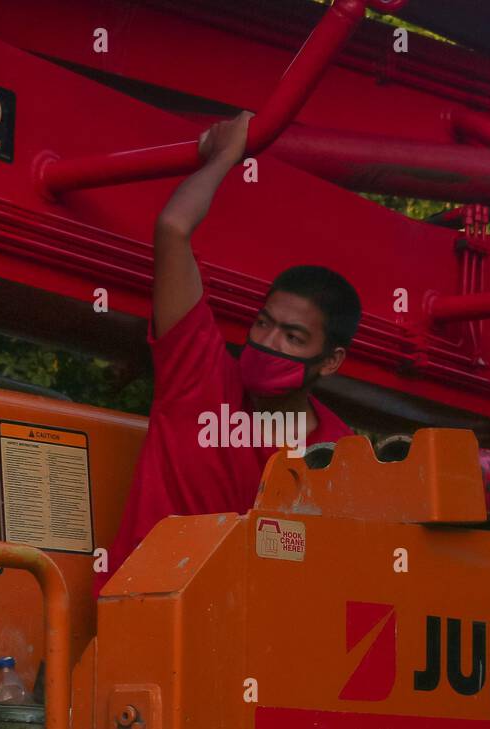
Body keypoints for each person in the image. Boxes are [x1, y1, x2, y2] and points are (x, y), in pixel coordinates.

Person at [94, 111, 360, 598]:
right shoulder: (196, 374)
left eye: (293, 338)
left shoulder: (339, 455)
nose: (269, 342)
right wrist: (225, 157)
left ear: (331, 361)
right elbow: (173, 227)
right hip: (138, 621)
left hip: (244, 652)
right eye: (265, 323)